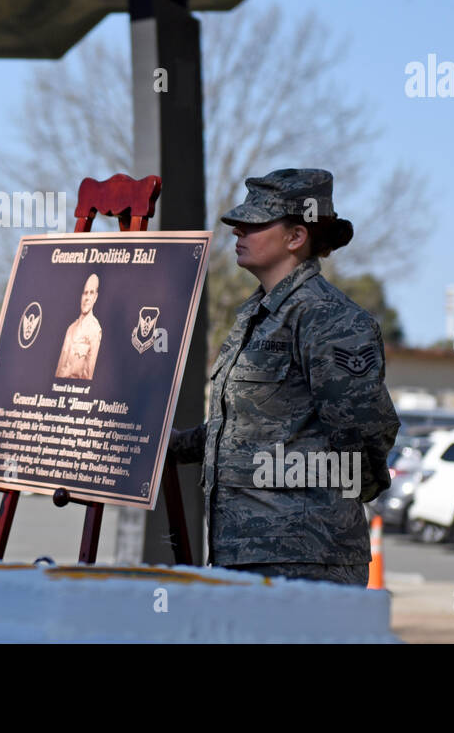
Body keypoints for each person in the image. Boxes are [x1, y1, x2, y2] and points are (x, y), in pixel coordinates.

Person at [167, 169, 400, 586]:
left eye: (255, 223)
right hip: (245, 554)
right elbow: (243, 428)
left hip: (305, 559)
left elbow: (366, 431)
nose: (239, 230)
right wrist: (169, 447)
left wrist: (323, 503)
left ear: (296, 237)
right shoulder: (258, 317)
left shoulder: (327, 318)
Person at [55, 272, 102, 379]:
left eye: (91, 293)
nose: (87, 298)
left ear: (95, 297)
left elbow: (89, 375)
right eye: (85, 293)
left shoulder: (95, 330)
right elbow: (59, 369)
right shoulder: (71, 329)